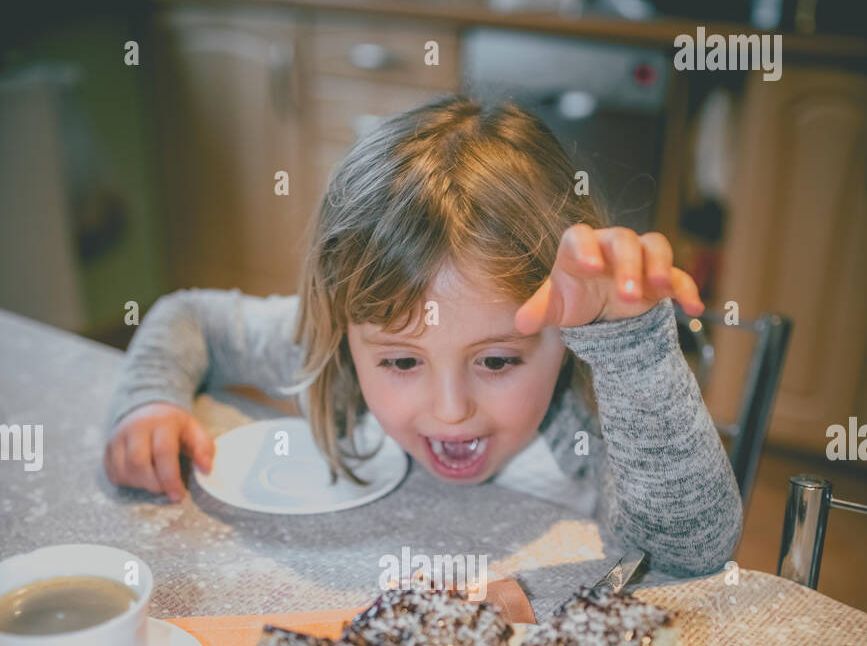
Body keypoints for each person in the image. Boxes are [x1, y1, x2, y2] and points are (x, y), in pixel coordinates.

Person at [104, 95, 742, 575]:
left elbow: (691, 554)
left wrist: (629, 347)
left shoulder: (593, 418)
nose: (449, 410)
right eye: (402, 363)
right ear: (342, 326)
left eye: (496, 360)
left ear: (566, 331)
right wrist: (154, 399)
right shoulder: (329, 358)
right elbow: (189, 316)